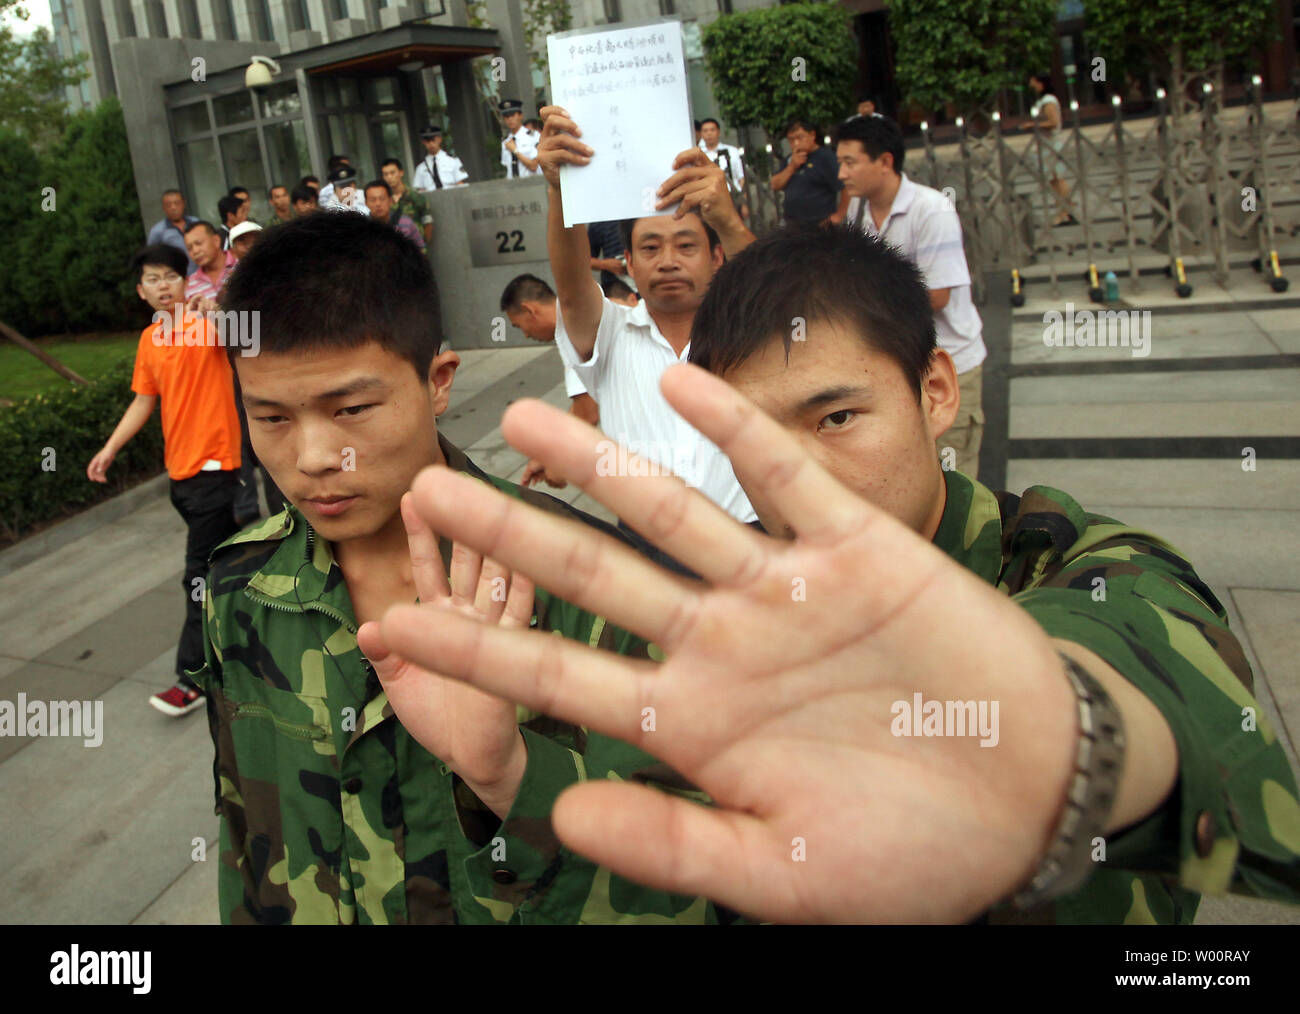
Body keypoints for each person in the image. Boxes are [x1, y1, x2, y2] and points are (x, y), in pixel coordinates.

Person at [370, 224, 1300, 925]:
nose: (801, 477)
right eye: (758, 437)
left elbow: (1170, 685)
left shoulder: (1074, 565)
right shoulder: (710, 630)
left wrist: (1061, 741)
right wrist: (507, 778)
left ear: (935, 391)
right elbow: (656, 893)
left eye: (837, 418)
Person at [199, 210, 733, 924]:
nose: (315, 457)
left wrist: (512, 782)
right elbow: (245, 831)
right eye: (271, 418)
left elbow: (696, 889)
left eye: (352, 407)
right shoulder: (239, 589)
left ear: (438, 380)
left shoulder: (591, 586)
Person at [537, 103, 757, 528]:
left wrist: (727, 219)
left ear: (717, 257)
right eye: (651, 248)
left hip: (755, 542)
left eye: (686, 246)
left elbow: (776, 294)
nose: (668, 260)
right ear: (630, 264)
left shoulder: (752, 330)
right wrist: (560, 192)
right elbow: (571, 284)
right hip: (647, 552)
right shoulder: (609, 334)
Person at [86, 244, 242, 718]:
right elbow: (142, 402)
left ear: (185, 280)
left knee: (196, 575)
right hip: (182, 475)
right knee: (225, 565)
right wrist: (110, 448)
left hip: (217, 467)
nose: (162, 285)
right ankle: (252, 641)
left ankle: (190, 678)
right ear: (141, 292)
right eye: (152, 279)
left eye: (171, 276)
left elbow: (246, 342)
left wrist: (217, 313)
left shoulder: (207, 324)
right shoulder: (149, 341)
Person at [836, 114, 986, 478]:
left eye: (850, 162)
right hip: (897, 366)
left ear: (885, 161)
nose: (841, 173)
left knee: (954, 479)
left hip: (946, 366)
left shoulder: (930, 210)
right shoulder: (857, 211)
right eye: (840, 163)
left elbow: (937, 296)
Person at [499, 273, 599, 489]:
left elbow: (588, 413)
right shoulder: (580, 317)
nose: (525, 335)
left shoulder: (573, 332)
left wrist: (559, 461)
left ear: (529, 310)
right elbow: (585, 402)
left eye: (519, 326)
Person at [770, 117, 848, 227]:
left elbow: (845, 187)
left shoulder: (826, 157)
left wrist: (839, 215)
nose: (796, 143)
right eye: (791, 140)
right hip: (792, 222)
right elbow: (775, 184)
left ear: (812, 135)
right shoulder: (790, 160)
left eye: (800, 137)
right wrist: (792, 167)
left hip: (819, 223)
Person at [1026, 73, 1076, 227]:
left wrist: (1032, 125)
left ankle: (1065, 212)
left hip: (1050, 144)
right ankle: (1064, 211)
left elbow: (1053, 122)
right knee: (1054, 180)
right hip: (1046, 144)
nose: (1031, 85)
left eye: (1033, 82)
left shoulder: (1048, 101)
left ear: (1041, 84)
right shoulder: (1043, 100)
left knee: (1057, 179)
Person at [697, 118, 748, 220]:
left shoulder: (732, 151)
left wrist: (744, 203)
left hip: (732, 197)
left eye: (712, 130)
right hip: (708, 199)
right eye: (705, 131)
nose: (709, 134)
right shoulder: (698, 154)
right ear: (701, 134)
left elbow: (742, 178)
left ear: (718, 132)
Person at [183, 221, 236, 311]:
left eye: (198, 243)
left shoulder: (240, 266)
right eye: (189, 248)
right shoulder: (190, 286)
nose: (195, 251)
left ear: (216, 241)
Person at [382, 157, 434, 245]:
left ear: (401, 173)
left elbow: (428, 224)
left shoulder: (415, 197)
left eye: (392, 173)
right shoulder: (384, 200)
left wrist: (423, 247)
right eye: (385, 174)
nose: (389, 177)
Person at [363, 179, 425, 252]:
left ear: (390, 201)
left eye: (382, 199)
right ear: (366, 203)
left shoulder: (405, 223)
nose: (378, 204)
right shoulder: (362, 228)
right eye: (373, 200)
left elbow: (420, 250)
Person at [146, 189, 199, 273]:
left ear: (183, 204)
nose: (173, 207)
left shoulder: (196, 222)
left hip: (202, 275)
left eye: (177, 203)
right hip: (179, 277)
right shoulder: (158, 231)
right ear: (163, 208)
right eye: (168, 205)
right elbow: (152, 258)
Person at [412, 124, 469, 193]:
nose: (431, 143)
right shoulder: (421, 167)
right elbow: (420, 191)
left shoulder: (452, 160)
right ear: (423, 142)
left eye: (433, 140)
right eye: (427, 141)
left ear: (439, 139)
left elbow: (460, 184)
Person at [499, 99, 541, 179]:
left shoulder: (533, 136)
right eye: (506, 117)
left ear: (520, 115)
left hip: (533, 184)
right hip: (513, 187)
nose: (510, 119)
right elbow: (508, 169)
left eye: (512, 115)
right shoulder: (505, 141)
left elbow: (533, 166)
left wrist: (515, 150)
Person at [586, 219, 626, 291]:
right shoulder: (598, 221)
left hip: (643, 281)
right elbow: (585, 259)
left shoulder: (642, 213)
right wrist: (604, 264)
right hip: (613, 288)